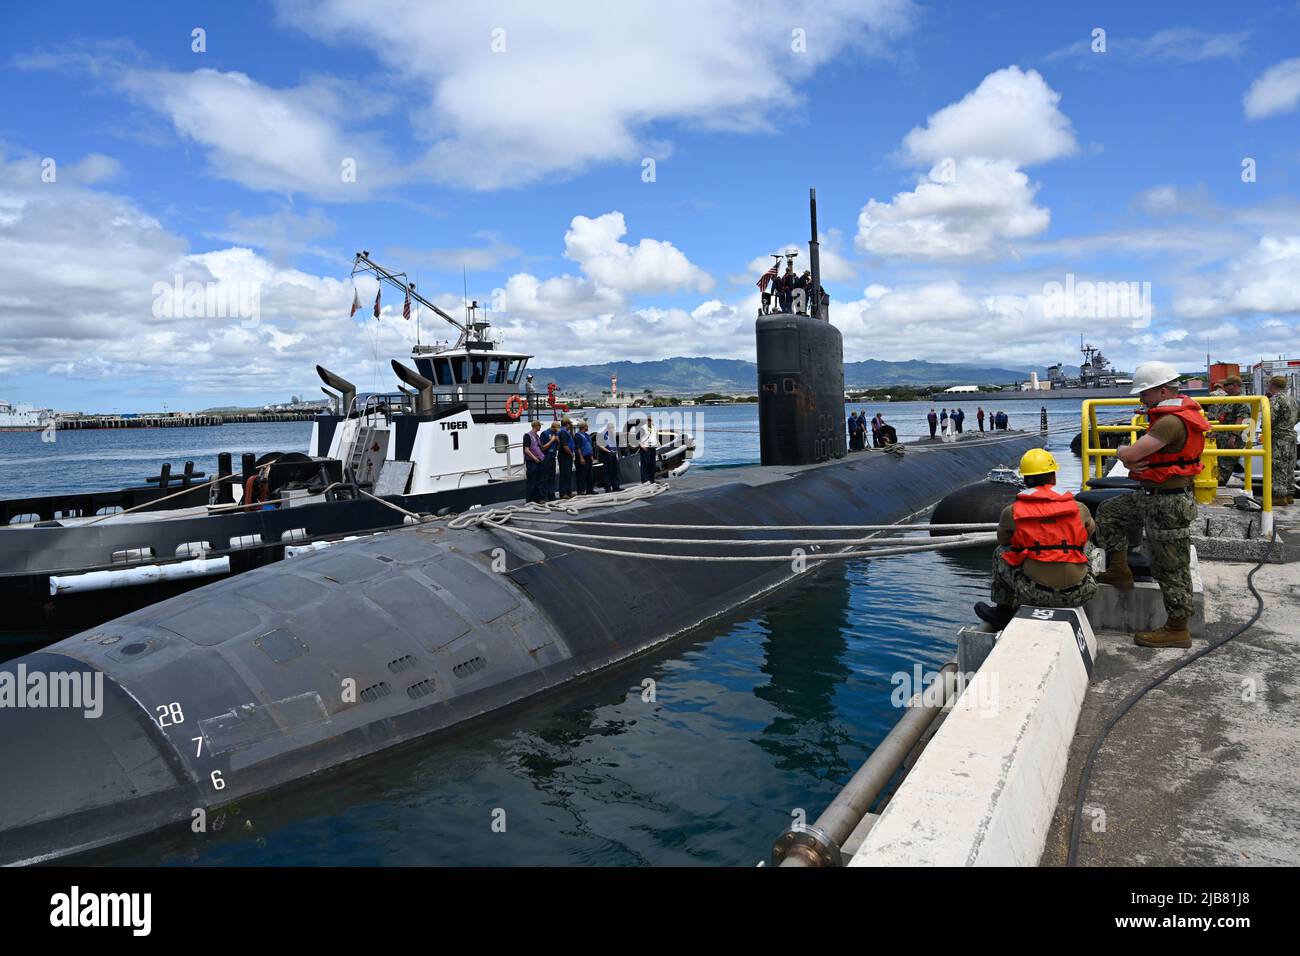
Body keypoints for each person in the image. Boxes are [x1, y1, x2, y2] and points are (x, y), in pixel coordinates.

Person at [1094, 361, 1211, 648]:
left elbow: (1132, 453)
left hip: (1168, 503)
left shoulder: (1171, 422)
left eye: (1144, 393)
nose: (1140, 399)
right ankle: (1120, 570)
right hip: (1152, 496)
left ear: (1160, 391)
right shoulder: (1171, 414)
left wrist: (1123, 452)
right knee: (1109, 513)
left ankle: (1177, 628)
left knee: (1170, 566)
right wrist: (1131, 458)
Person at [974, 449, 1098, 630]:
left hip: (1033, 593)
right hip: (1081, 592)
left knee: (1001, 553)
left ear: (1025, 480)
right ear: (1053, 477)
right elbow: (1089, 533)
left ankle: (1003, 611)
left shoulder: (1012, 511)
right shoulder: (1079, 507)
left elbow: (1003, 541)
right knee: (1086, 545)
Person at [1214, 375, 1251, 487]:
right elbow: (1223, 419)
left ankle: (1218, 486)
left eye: (1226, 385)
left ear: (1234, 386)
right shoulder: (1229, 399)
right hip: (1223, 437)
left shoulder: (1241, 400)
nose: (1224, 387)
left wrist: (1234, 436)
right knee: (1219, 464)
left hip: (1231, 438)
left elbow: (1241, 419)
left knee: (1225, 466)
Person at [1267, 374, 1298, 506]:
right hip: (1291, 436)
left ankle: (1279, 496)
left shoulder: (1276, 399)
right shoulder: (1292, 400)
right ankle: (1289, 494)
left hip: (1279, 437)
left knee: (1278, 466)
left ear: (1272, 385)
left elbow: (1271, 418)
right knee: (1289, 466)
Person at [523, 419, 545, 502]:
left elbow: (539, 446)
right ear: (536, 426)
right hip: (532, 462)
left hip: (539, 461)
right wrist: (534, 458)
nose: (540, 427)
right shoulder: (528, 436)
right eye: (539, 425)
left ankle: (537, 499)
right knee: (531, 481)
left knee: (538, 480)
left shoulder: (536, 436)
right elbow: (526, 450)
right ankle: (529, 500)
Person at [596, 420, 622, 491]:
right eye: (611, 428)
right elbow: (599, 445)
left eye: (613, 428)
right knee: (607, 472)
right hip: (607, 455)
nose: (613, 430)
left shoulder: (612, 434)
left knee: (615, 470)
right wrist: (607, 451)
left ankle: (616, 486)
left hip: (613, 454)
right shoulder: (602, 435)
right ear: (608, 428)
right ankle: (607, 488)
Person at [557, 417, 576, 498]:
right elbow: (565, 446)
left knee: (568, 474)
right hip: (565, 456)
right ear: (567, 424)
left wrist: (571, 429)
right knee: (564, 475)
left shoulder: (565, 432)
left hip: (567, 455)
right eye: (570, 424)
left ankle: (568, 491)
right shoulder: (563, 432)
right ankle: (563, 493)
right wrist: (571, 454)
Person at [541, 419, 560, 500]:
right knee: (545, 477)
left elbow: (559, 446)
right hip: (546, 457)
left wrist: (557, 440)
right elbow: (542, 448)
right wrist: (552, 440)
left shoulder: (555, 434)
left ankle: (551, 494)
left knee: (552, 477)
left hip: (553, 457)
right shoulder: (545, 433)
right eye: (557, 428)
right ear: (553, 427)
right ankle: (544, 495)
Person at [636, 415, 658, 483]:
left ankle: (652, 479)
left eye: (650, 420)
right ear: (646, 421)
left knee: (652, 465)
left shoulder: (654, 428)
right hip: (645, 449)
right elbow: (637, 438)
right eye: (648, 420)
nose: (649, 421)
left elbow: (655, 436)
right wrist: (641, 446)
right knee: (645, 465)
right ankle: (645, 480)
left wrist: (657, 443)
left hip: (652, 448)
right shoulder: (643, 428)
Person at [575, 421, 594, 495]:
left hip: (589, 456)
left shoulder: (586, 435)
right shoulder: (578, 436)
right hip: (583, 457)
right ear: (584, 427)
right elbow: (578, 448)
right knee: (582, 474)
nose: (588, 427)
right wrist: (581, 458)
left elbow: (589, 446)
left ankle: (590, 490)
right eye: (587, 426)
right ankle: (581, 490)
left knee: (590, 474)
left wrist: (592, 456)